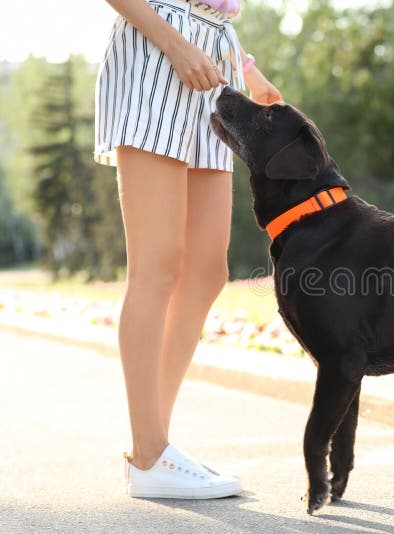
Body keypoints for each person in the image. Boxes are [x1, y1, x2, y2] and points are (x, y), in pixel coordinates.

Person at [95, 0, 281, 499]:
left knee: (205, 272)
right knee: (156, 267)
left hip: (214, 64)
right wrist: (175, 46)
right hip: (158, 51)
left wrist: (250, 71)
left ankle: (154, 450)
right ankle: (150, 453)